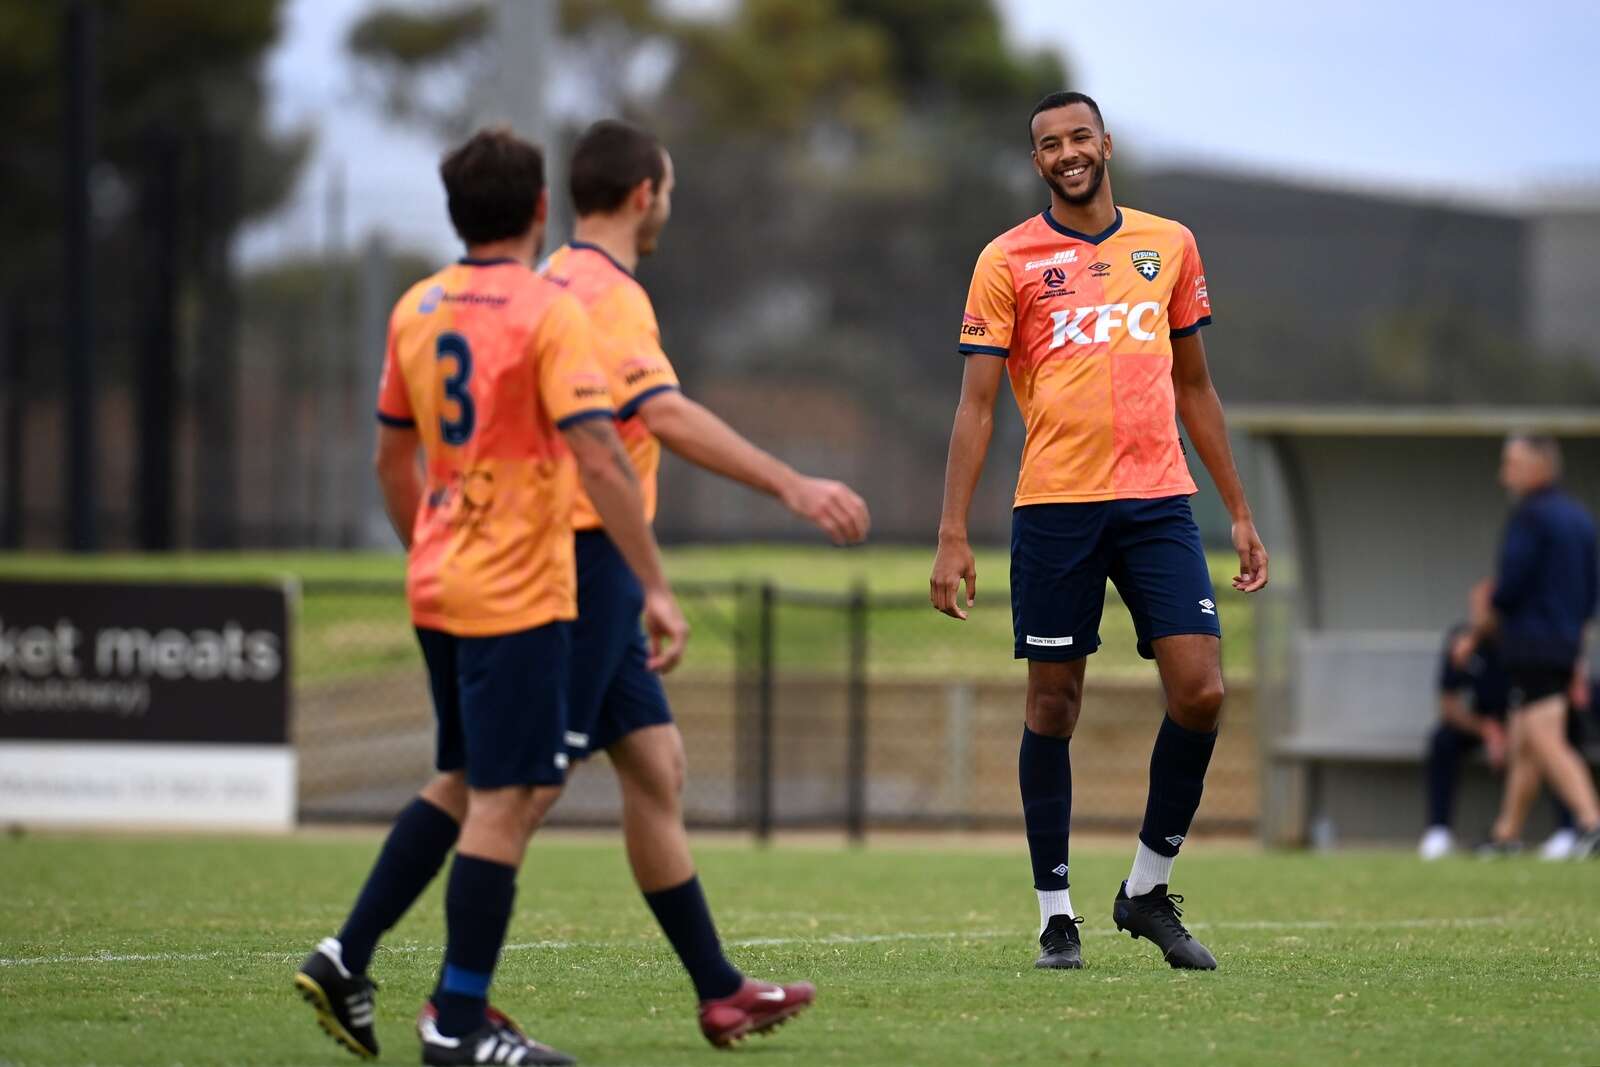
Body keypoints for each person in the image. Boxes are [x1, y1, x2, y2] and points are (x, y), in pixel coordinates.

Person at [294, 127, 689, 1067]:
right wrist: (653, 581)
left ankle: (345, 954)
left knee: (467, 778)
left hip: (439, 577)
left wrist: (432, 539)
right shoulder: (550, 310)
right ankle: (458, 1024)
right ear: (541, 210)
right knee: (513, 794)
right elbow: (599, 451)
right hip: (518, 586)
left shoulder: (416, 306)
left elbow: (394, 455)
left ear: (454, 211)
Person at [538, 119, 870, 1045]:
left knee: (656, 764)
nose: (669, 204)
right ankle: (426, 979)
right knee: (515, 789)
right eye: (670, 188)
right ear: (645, 193)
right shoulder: (605, 292)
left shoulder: (555, 280)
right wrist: (794, 485)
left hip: (592, 556)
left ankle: (720, 988)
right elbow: (665, 415)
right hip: (576, 558)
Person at [929, 91, 1268, 972]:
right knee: (1054, 705)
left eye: (1080, 136)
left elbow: (1196, 387)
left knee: (1201, 692)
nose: (1068, 152)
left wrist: (1237, 508)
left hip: (1160, 501)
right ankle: (1056, 915)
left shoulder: (1171, 244)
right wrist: (951, 533)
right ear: (1037, 160)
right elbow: (975, 405)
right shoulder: (1006, 258)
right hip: (1055, 506)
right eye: (1050, 144)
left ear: (1106, 143)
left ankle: (1146, 891)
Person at [1455, 435, 1600, 860]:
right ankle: (1507, 833)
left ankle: (1592, 821)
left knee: (1543, 736)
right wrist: (1577, 651)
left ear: (1541, 466)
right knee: (1524, 739)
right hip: (1562, 642)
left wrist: (1475, 634)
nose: (1505, 473)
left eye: (1512, 463)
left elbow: (1510, 589)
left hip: (1533, 644)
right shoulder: (1580, 519)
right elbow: (1590, 594)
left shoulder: (1531, 518)